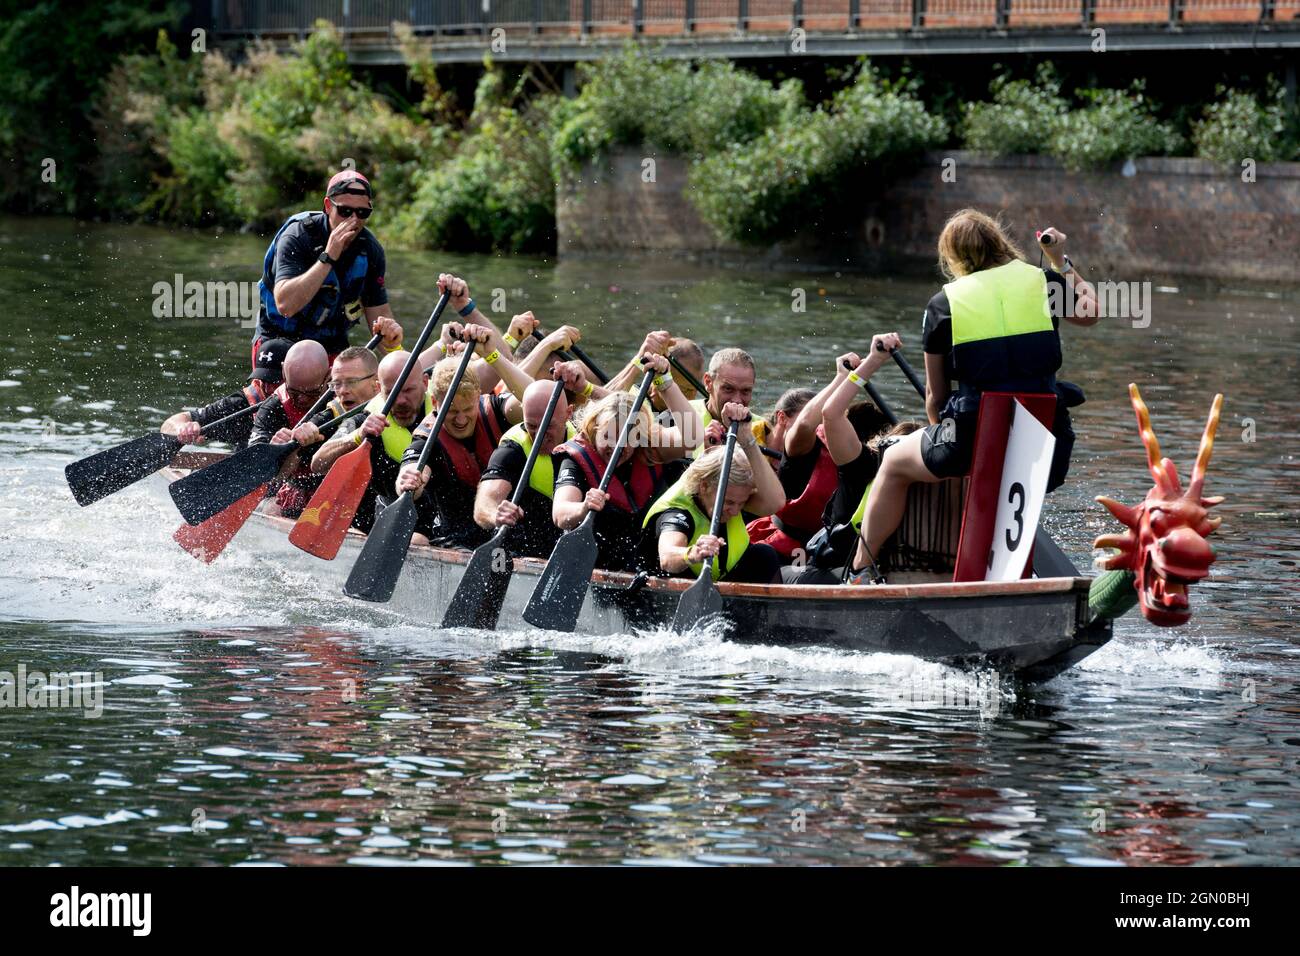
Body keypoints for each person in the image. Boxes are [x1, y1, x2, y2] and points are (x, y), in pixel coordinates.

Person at [850, 210, 1098, 584]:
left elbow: (934, 397)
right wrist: (1059, 260)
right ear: (1000, 242)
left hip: (973, 440)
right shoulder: (1043, 279)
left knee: (893, 463)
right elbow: (1091, 313)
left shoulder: (943, 303)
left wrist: (942, 441)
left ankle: (860, 571)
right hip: (1047, 446)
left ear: (952, 257)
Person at [551, 356, 700, 572]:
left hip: (647, 566)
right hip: (596, 563)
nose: (616, 447)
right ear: (594, 429)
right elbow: (560, 513)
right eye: (608, 437)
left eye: (626, 439)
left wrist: (666, 381)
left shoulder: (646, 445)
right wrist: (583, 507)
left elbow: (693, 437)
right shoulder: (574, 459)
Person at [396, 327, 534, 548]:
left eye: (467, 409)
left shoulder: (496, 410)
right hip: (456, 540)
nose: (460, 419)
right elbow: (412, 469)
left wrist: (493, 355)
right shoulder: (425, 437)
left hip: (509, 527)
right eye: (451, 411)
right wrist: (408, 481)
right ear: (434, 400)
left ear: (478, 395)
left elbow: (539, 403)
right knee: (416, 540)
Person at [253, 169, 403, 365]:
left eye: (362, 213)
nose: (354, 220)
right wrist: (329, 257)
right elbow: (285, 306)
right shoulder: (297, 236)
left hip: (330, 343)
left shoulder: (370, 250)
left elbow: (380, 316)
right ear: (327, 206)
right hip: (279, 340)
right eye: (345, 211)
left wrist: (394, 348)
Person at [643, 404, 787, 585]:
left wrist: (747, 439)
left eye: (741, 504)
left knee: (764, 556)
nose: (735, 511)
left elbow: (776, 502)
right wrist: (693, 553)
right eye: (729, 502)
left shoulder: (731, 494)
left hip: (719, 577)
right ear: (704, 486)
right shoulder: (677, 512)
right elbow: (667, 556)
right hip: (667, 590)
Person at [310, 349, 432, 537]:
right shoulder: (365, 419)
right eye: (391, 393)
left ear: (425, 383)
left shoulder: (445, 404)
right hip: (392, 521)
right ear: (379, 388)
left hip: (442, 520)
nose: (400, 401)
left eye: (408, 391)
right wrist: (358, 435)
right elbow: (318, 463)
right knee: (417, 540)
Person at [473, 377, 578, 558]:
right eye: (532, 426)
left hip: (567, 551)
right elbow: (483, 505)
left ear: (569, 413)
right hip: (518, 553)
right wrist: (495, 515)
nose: (539, 435)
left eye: (549, 425)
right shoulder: (512, 449)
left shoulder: (584, 441)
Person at [246, 340, 332, 516]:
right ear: (284, 372)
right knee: (272, 507)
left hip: (334, 487)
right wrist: (273, 451)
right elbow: (255, 467)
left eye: (311, 394)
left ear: (328, 377)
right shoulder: (273, 406)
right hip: (291, 486)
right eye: (293, 392)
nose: (301, 400)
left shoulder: (343, 400)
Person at [160, 338, 290, 449]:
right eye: (264, 379)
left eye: (275, 381)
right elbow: (170, 423)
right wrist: (182, 429)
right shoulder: (241, 404)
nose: (267, 388)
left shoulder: (309, 404)